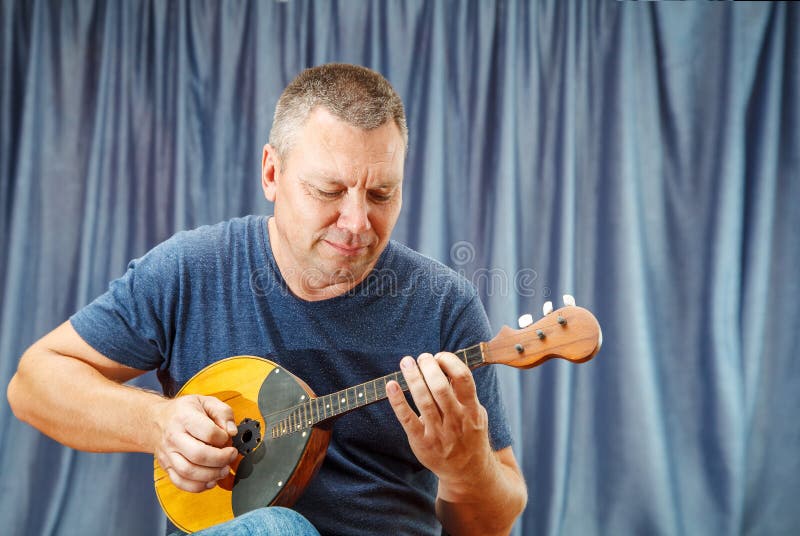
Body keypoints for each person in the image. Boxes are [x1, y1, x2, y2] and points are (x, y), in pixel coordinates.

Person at [7, 63, 527, 535]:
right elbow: (33, 384)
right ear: (272, 173)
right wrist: (157, 422)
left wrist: (466, 469)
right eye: (328, 191)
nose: (356, 224)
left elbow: (490, 525)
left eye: (380, 195)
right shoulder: (193, 269)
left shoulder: (443, 305)